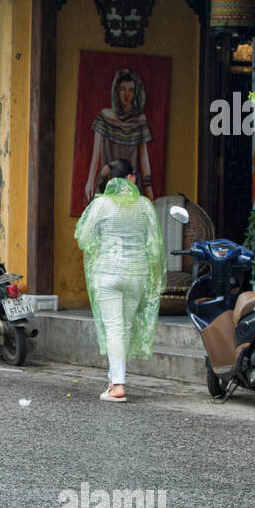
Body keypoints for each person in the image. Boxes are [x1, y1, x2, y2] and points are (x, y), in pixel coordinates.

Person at [74, 157, 164, 403]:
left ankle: (118, 384)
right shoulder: (145, 206)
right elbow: (154, 246)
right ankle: (114, 381)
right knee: (123, 327)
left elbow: (83, 237)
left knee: (114, 327)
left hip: (107, 273)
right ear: (131, 178)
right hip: (137, 274)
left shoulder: (101, 205)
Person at [82, 68, 155, 206]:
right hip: (107, 186)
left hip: (130, 188)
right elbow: (96, 154)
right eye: (122, 89)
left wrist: (149, 189)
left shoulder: (140, 121)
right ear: (116, 90)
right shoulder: (105, 117)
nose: (126, 95)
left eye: (131, 90)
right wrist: (90, 181)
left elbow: (144, 158)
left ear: (136, 93)